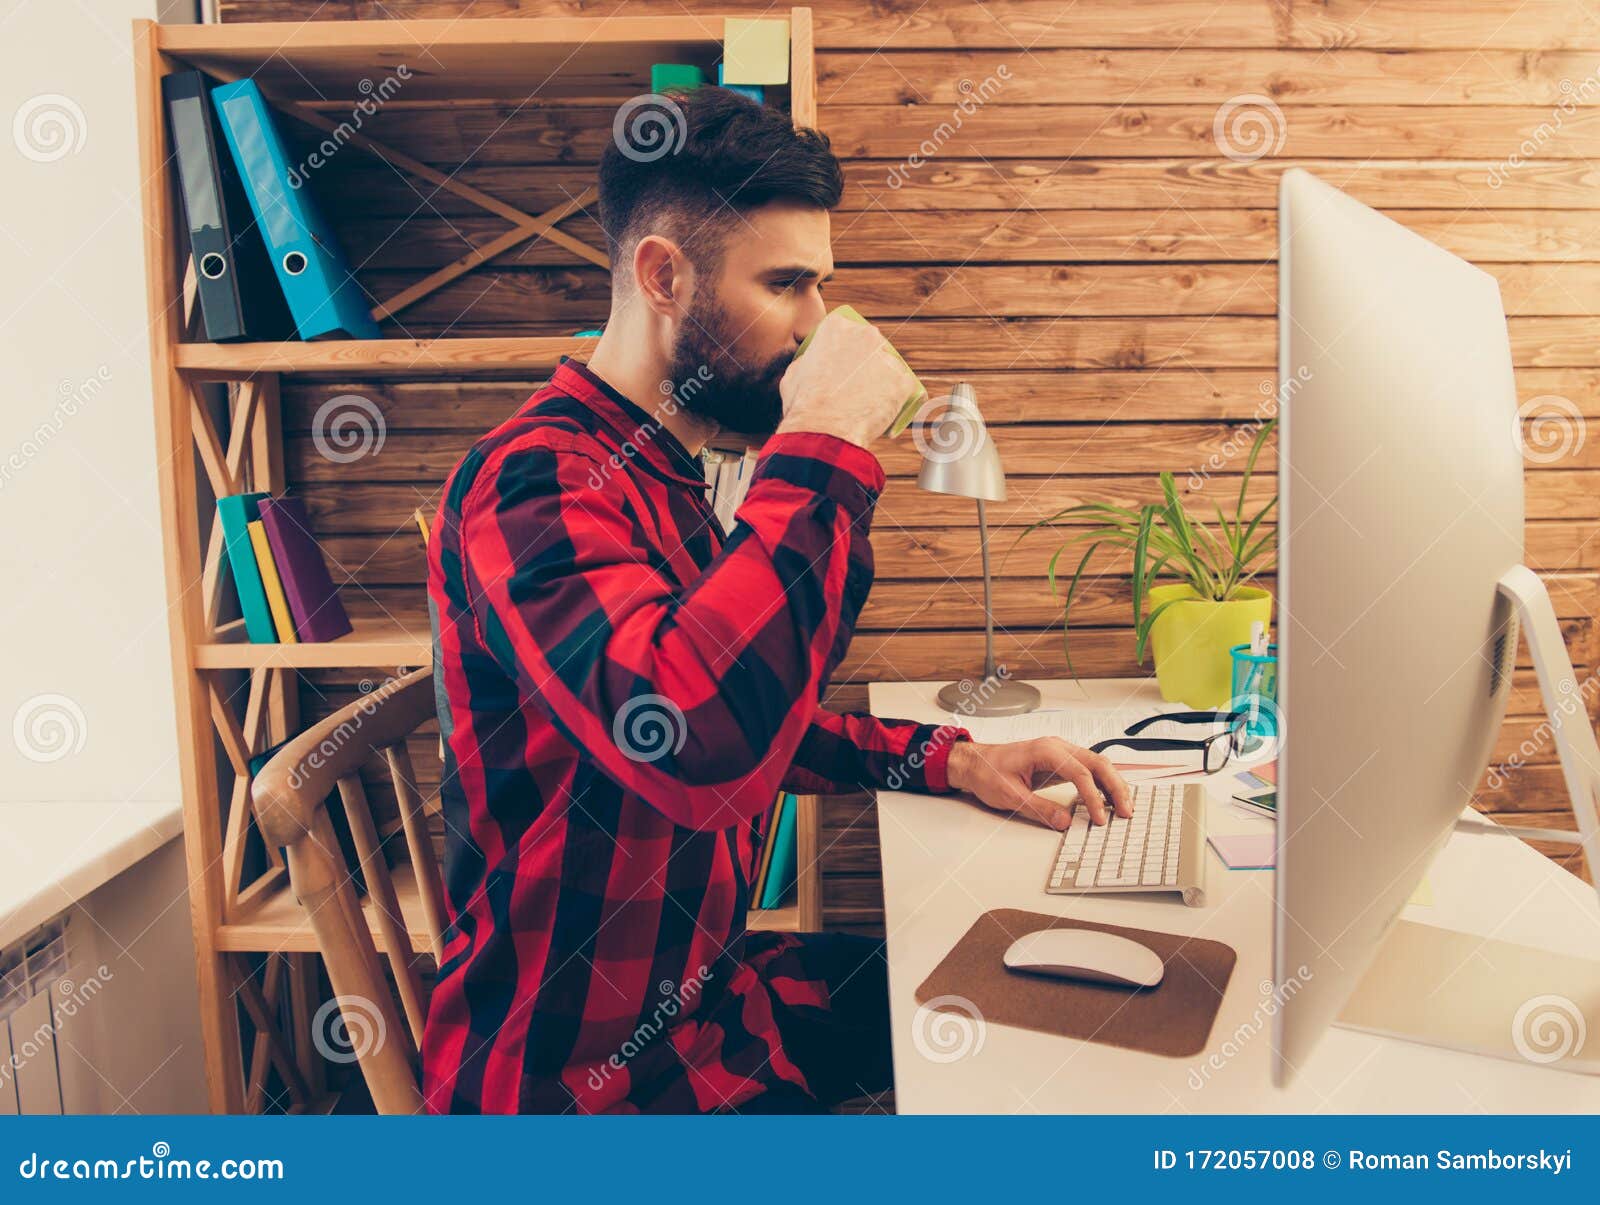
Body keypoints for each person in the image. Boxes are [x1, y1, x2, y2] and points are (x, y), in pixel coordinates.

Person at [420, 86, 1131, 1114]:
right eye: (787, 284)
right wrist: (827, 437)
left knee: (1040, 997)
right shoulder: (533, 483)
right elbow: (693, 736)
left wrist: (950, 757)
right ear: (662, 274)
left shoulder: (665, 474)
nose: (815, 325)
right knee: (1020, 1110)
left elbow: (755, 707)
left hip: (712, 997)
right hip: (584, 1086)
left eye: (820, 286)